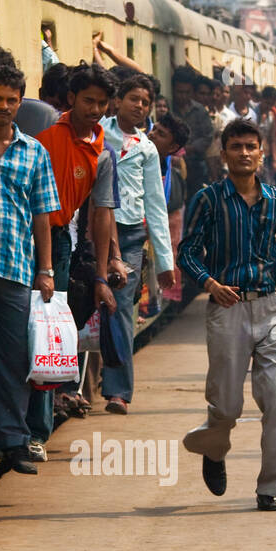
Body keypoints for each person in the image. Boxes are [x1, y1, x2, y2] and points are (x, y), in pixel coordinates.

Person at [178, 118, 276, 512]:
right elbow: (188, 250)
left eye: (251, 146)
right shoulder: (209, 199)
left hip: (270, 308)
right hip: (227, 308)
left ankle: (271, 488)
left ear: (261, 152)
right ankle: (215, 448)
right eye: (236, 147)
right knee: (226, 407)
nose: (244, 153)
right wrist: (208, 283)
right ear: (224, 155)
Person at [31, 63, 120, 443]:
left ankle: (40, 423)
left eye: (101, 103)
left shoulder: (102, 154)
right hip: (30, 238)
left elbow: (102, 216)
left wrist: (101, 276)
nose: (95, 109)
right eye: (88, 101)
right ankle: (29, 423)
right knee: (29, 328)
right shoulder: (45, 140)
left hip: (63, 243)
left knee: (50, 332)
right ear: (71, 99)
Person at [0, 65, 60, 475]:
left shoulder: (34, 152)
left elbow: (42, 215)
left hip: (14, 266)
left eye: (13, 100)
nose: (5, 107)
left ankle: (12, 439)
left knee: (12, 357)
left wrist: (45, 270)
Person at [99, 75, 176, 415]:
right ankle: (67, 384)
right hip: (90, 230)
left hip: (129, 234)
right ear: (117, 100)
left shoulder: (146, 149)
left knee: (117, 308)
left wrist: (165, 263)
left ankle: (118, 391)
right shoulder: (98, 132)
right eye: (134, 99)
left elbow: (156, 206)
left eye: (145, 102)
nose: (140, 106)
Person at [149, 113, 190, 305]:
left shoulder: (164, 164)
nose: (152, 134)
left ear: (173, 147)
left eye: (161, 134)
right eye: (154, 129)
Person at [170, 66, 213, 195]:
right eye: (179, 92)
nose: (183, 96)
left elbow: (208, 136)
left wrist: (189, 149)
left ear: (192, 91)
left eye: (187, 92)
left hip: (197, 167)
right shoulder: (168, 109)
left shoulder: (200, 111)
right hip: (173, 166)